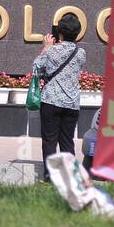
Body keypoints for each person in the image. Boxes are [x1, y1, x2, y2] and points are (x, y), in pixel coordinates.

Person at [32, 13, 86, 181]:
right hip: (71, 103)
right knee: (67, 141)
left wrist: (46, 47)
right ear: (77, 33)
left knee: (49, 140)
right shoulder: (81, 52)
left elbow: (36, 69)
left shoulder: (52, 50)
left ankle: (50, 176)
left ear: (59, 33)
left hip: (51, 101)